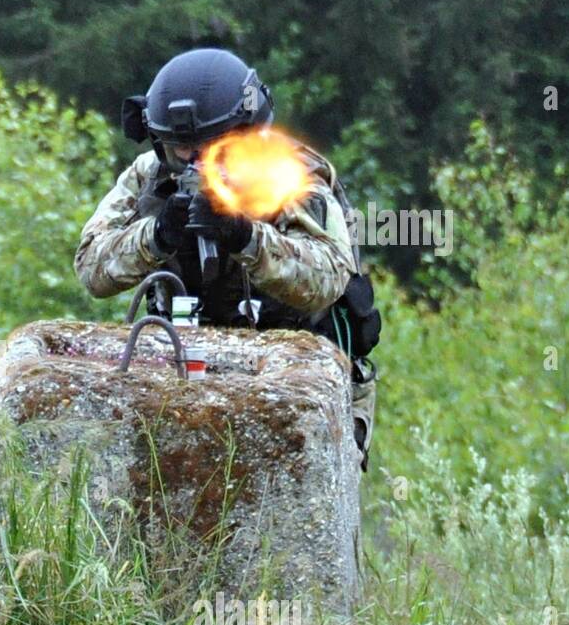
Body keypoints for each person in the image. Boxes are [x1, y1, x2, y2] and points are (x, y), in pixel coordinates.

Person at [75, 47, 379, 468]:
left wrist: (247, 237)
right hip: (184, 378)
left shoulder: (290, 176)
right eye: (182, 149)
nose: (197, 163)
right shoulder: (150, 174)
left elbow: (326, 277)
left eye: (214, 148)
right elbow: (91, 268)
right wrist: (156, 236)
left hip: (297, 384)